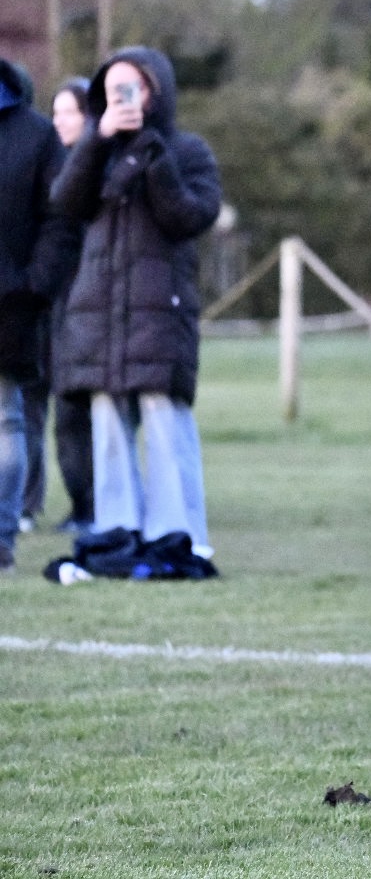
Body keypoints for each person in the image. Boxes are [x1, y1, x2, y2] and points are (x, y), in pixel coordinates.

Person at [49, 48, 221, 565]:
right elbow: (65, 202)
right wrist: (95, 142)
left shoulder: (188, 150)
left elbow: (191, 217)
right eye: (111, 90)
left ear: (157, 92)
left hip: (159, 311)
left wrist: (154, 158)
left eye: (133, 88)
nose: (120, 99)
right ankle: (117, 531)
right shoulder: (92, 149)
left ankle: (179, 534)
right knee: (106, 420)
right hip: (98, 311)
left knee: (164, 418)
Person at [1, 59, 78, 575]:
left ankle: (2, 537)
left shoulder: (35, 135)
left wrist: (33, 284)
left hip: (7, 306)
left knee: (7, 422)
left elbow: (60, 217)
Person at [21, 79, 96, 538]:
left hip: (79, 308)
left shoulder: (93, 170)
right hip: (42, 305)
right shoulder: (44, 165)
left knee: (72, 413)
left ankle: (88, 505)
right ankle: (25, 503)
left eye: (67, 112)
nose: (58, 121)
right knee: (27, 406)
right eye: (55, 113)